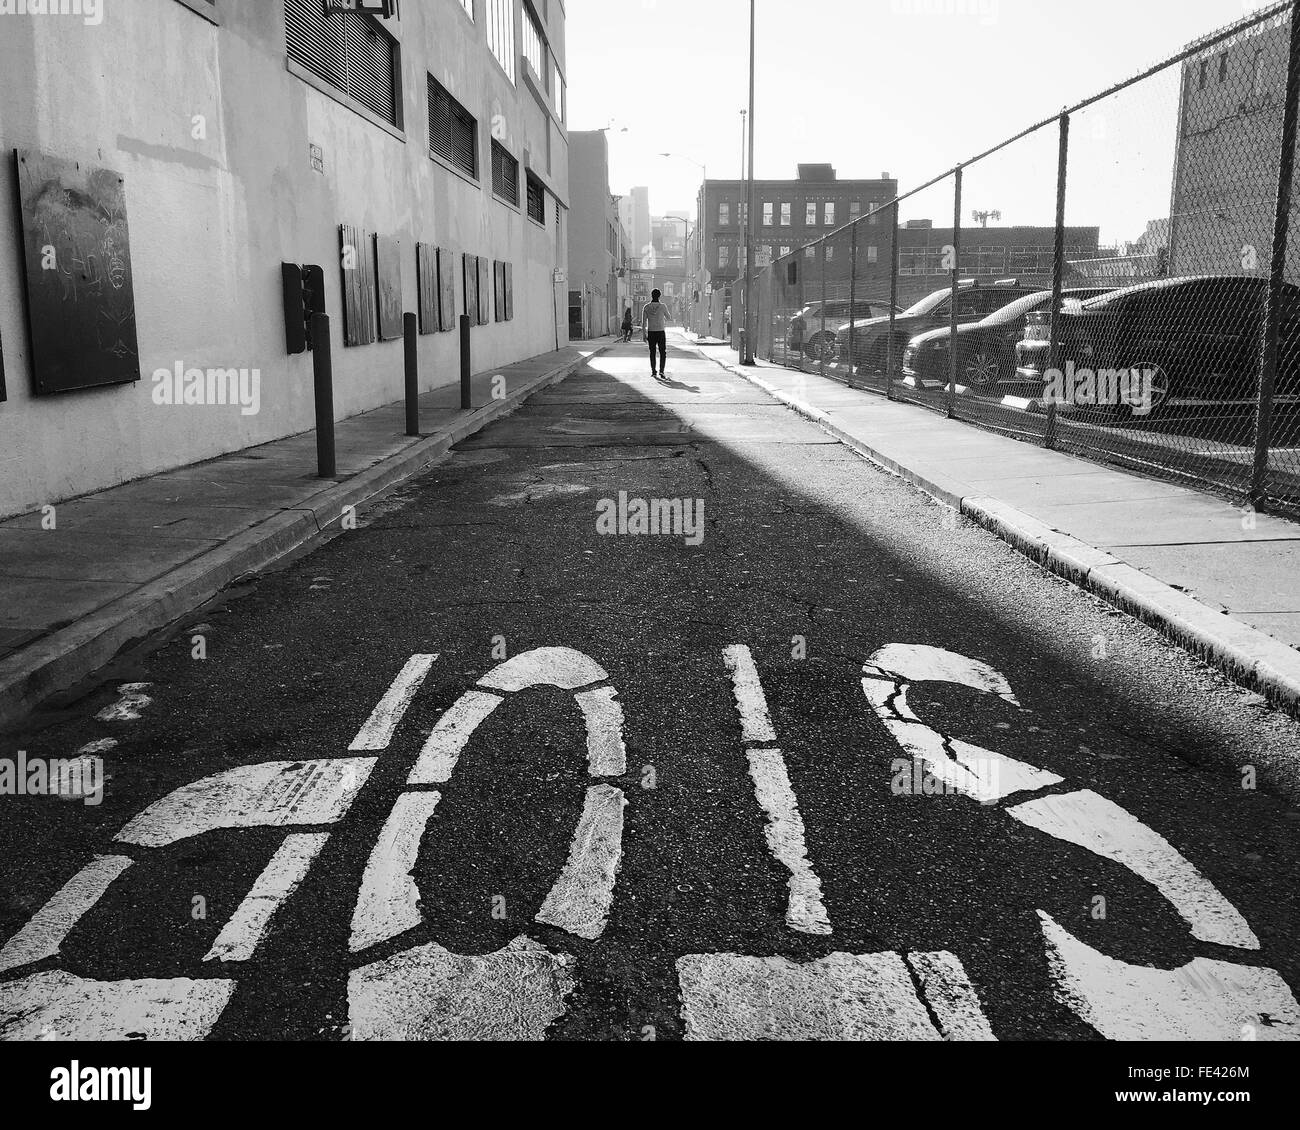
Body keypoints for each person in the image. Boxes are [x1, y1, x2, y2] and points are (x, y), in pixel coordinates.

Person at [642, 288, 670, 378]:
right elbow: (669, 317)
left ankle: (653, 371)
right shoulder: (663, 306)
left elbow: (643, 323)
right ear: (659, 296)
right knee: (662, 352)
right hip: (661, 331)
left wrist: (644, 334)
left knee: (652, 352)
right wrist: (662, 317)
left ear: (651, 295)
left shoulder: (646, 307)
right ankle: (661, 371)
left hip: (651, 332)